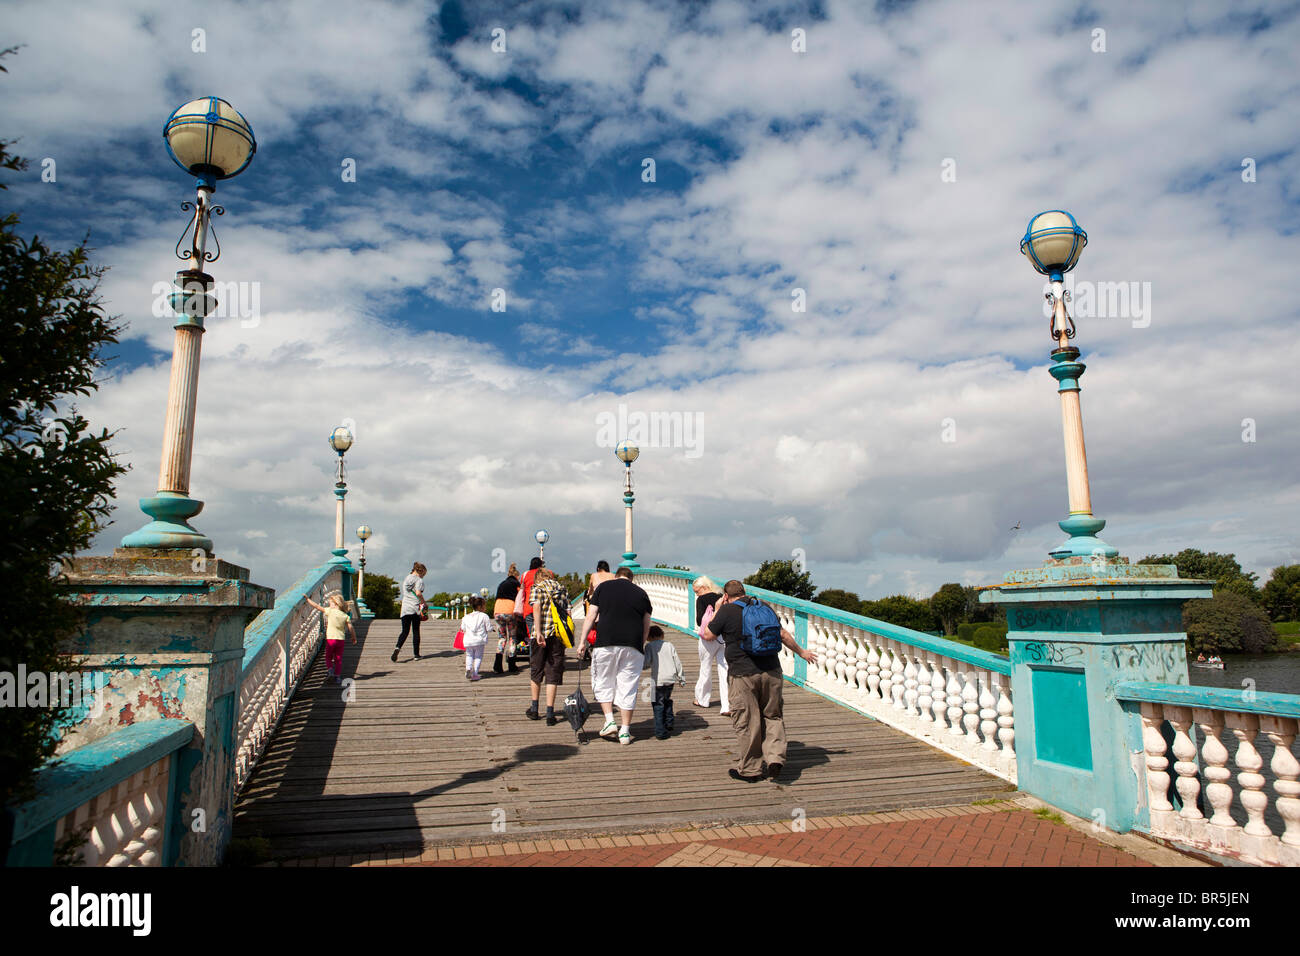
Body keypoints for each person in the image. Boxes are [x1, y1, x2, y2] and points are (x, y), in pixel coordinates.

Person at [700, 580, 817, 782]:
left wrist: (719, 609)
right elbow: (782, 634)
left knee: (747, 721)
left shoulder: (727, 611)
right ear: (745, 592)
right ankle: (775, 759)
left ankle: (750, 770)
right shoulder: (763, 606)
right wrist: (801, 652)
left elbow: (708, 634)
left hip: (742, 674)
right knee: (773, 715)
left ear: (726, 596)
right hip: (771, 671)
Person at [576, 566, 652, 746]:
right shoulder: (642, 593)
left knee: (603, 681)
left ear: (616, 577)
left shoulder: (603, 588)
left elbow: (591, 615)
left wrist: (582, 642)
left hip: (606, 643)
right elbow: (646, 623)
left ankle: (610, 720)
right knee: (628, 686)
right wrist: (640, 644)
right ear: (631, 579)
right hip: (632, 645)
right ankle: (625, 731)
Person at [526, 568, 569, 725]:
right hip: (557, 635)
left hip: (540, 634)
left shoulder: (537, 588)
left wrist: (538, 632)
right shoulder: (561, 588)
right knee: (553, 672)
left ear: (538, 578)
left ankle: (534, 709)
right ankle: (550, 713)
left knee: (536, 669)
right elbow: (568, 612)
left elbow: (536, 608)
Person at [691, 575, 729, 714]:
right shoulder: (721, 597)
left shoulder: (702, 599)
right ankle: (726, 706)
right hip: (723, 637)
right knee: (724, 670)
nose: (697, 594)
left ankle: (702, 699)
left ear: (704, 587)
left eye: (697, 591)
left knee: (705, 668)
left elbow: (700, 621)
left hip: (708, 637)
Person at [642, 625, 685, 739]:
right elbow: (677, 662)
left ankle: (661, 732)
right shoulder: (669, 645)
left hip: (658, 680)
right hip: (671, 679)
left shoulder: (649, 646)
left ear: (648, 637)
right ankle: (669, 722)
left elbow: (646, 663)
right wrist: (681, 678)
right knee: (666, 700)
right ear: (662, 634)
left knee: (657, 705)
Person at [306, 593, 356, 683]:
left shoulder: (330, 611)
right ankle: (337, 677)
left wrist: (308, 599)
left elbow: (317, 606)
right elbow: (351, 628)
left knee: (328, 657)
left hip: (331, 639)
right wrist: (353, 637)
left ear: (335, 604)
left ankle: (330, 670)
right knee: (338, 659)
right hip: (340, 640)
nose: (329, 605)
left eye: (330, 603)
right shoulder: (345, 616)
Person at [392, 562, 426, 662]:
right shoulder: (419, 580)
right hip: (415, 608)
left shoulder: (407, 578)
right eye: (424, 574)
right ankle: (416, 655)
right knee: (416, 631)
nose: (423, 576)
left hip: (405, 608)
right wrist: (424, 603)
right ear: (421, 571)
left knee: (405, 631)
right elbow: (418, 593)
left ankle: (397, 647)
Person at [493, 563, 522, 674]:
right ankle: (511, 664)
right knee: (512, 638)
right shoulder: (516, 584)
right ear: (516, 576)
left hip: (498, 611)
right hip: (510, 612)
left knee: (502, 638)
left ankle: (497, 665)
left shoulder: (501, 584)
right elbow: (520, 598)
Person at [461, 596, 493, 681]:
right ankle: (474, 674)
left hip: (468, 640)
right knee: (478, 657)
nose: (485, 608)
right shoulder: (484, 616)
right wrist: (492, 629)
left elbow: (463, 628)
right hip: (479, 640)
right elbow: (489, 628)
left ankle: (468, 669)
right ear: (480, 606)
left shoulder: (466, 617)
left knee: (469, 655)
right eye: (484, 606)